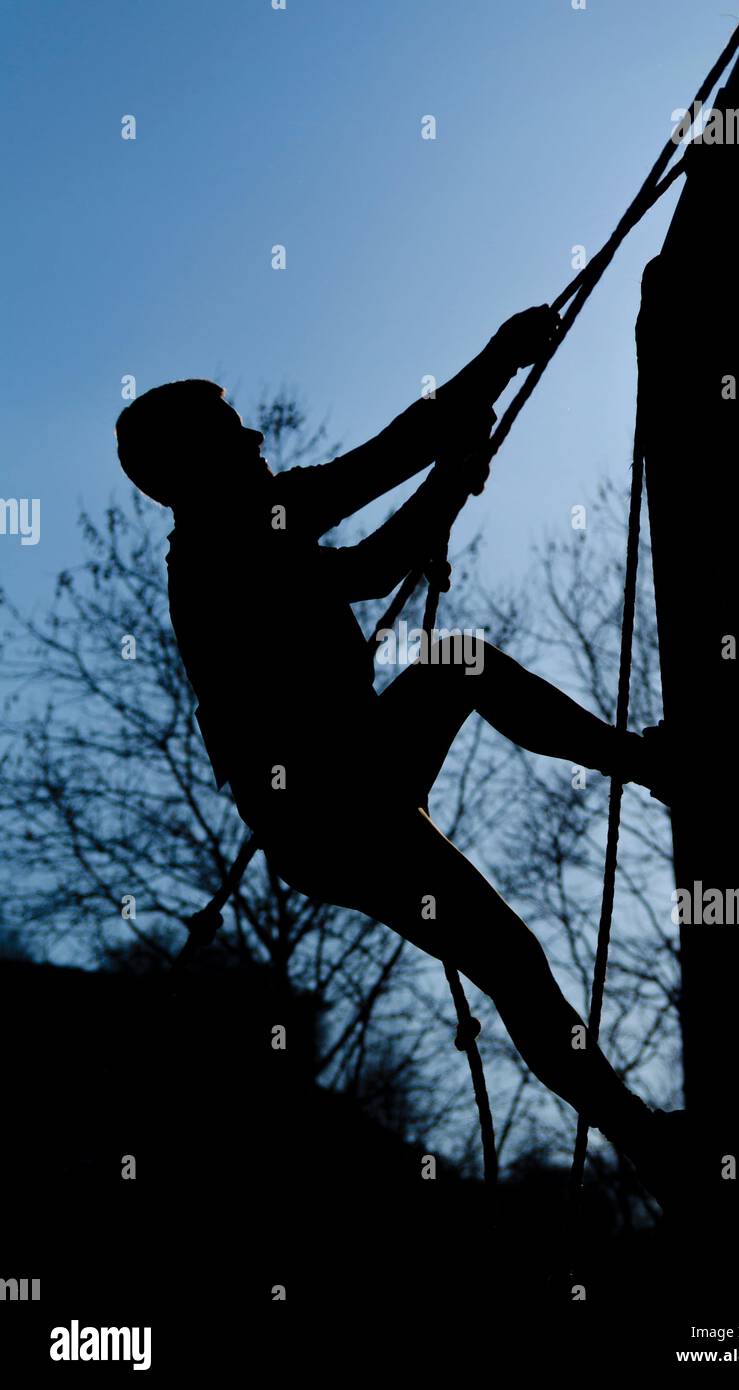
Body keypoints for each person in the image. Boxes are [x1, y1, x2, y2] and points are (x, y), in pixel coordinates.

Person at [115, 307, 679, 1200]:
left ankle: (646, 1141)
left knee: (508, 954)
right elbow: (380, 509)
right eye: (231, 432)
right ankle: (652, 770)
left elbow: (381, 506)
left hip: (341, 804)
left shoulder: (242, 532)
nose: (255, 439)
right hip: (337, 804)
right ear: (193, 465)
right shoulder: (228, 541)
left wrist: (464, 440)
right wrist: (483, 392)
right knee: (465, 683)